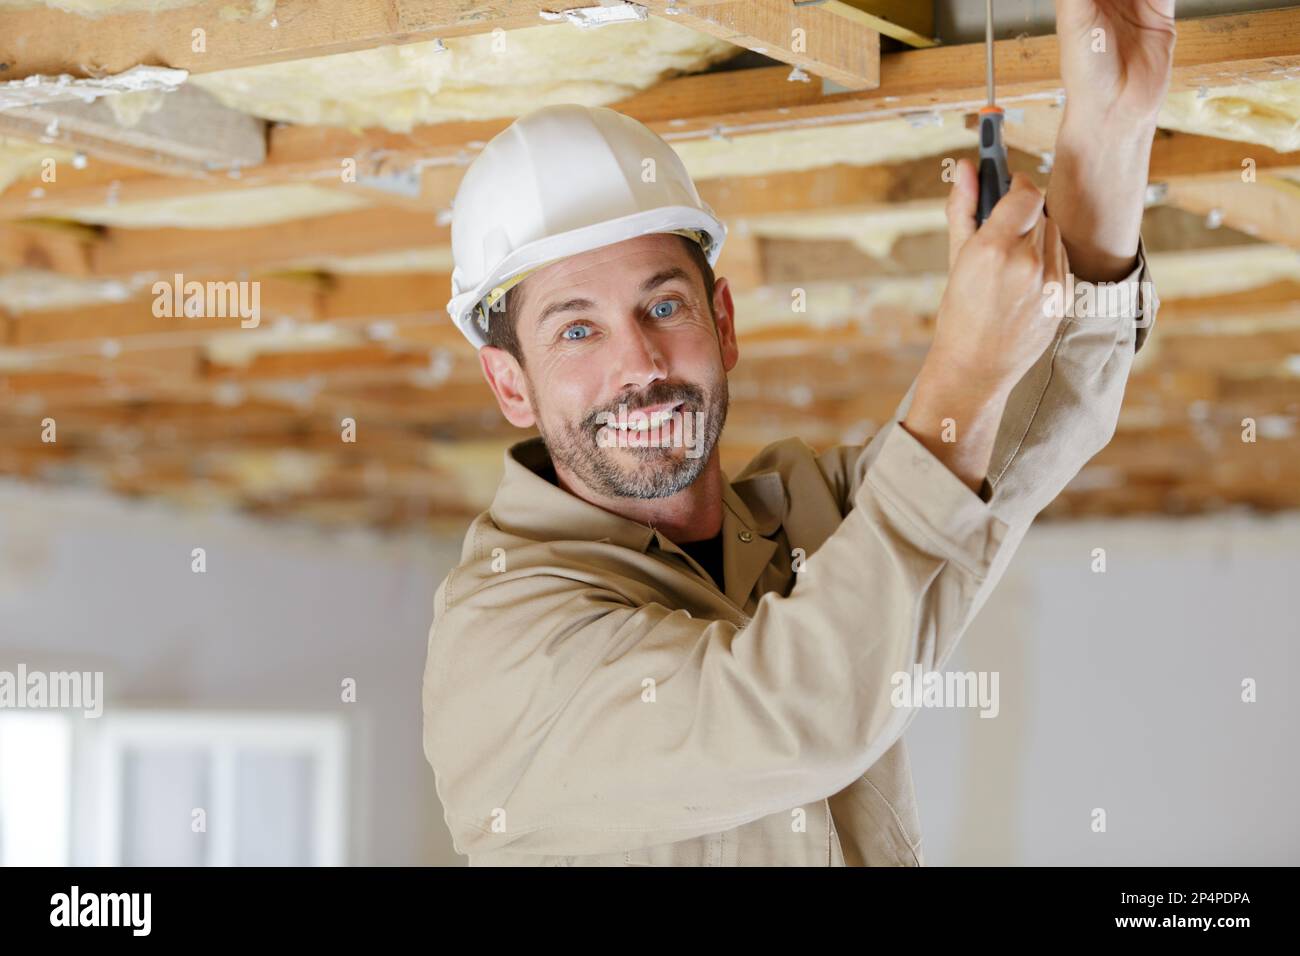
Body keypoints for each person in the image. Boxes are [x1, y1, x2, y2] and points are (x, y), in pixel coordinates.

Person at [422, 0, 1175, 866]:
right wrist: (962, 365)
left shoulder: (801, 524)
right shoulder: (503, 641)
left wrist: (1110, 132)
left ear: (724, 323)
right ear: (509, 382)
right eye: (577, 330)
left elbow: (1024, 427)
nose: (640, 364)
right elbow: (799, 713)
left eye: (663, 306)